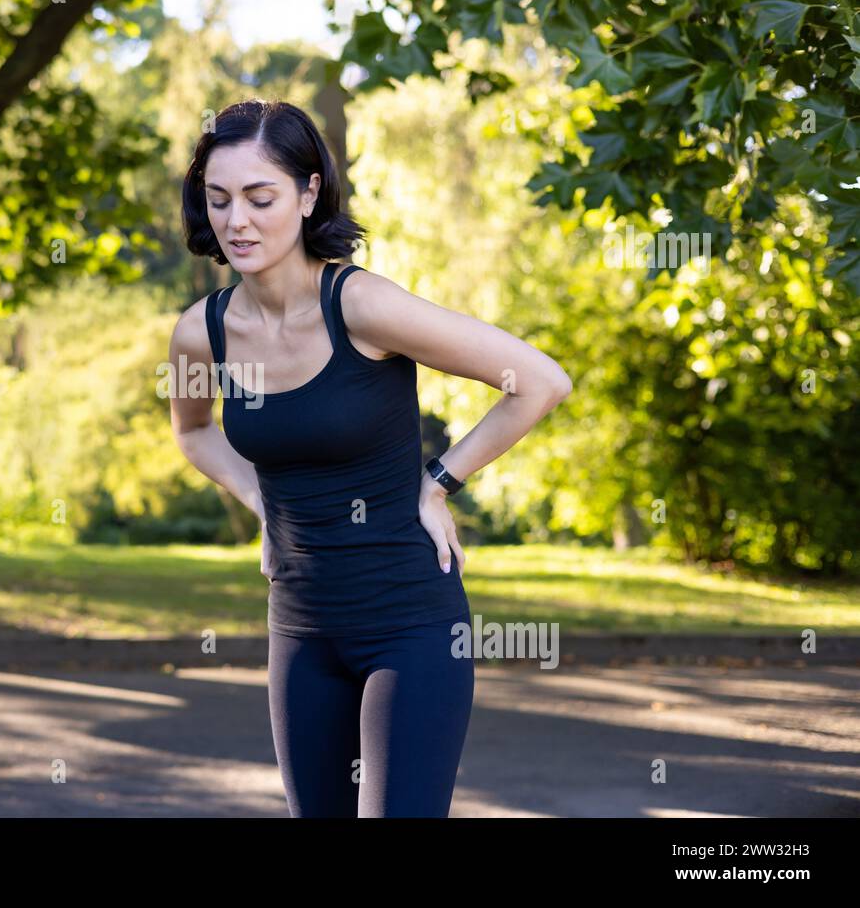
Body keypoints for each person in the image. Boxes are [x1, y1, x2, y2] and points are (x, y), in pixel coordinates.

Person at [166, 98, 572, 817]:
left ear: (309, 191)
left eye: (261, 198)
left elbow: (538, 380)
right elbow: (195, 431)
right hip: (299, 628)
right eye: (219, 198)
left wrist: (439, 482)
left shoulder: (362, 307)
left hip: (412, 627)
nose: (237, 221)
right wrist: (262, 498)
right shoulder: (203, 334)